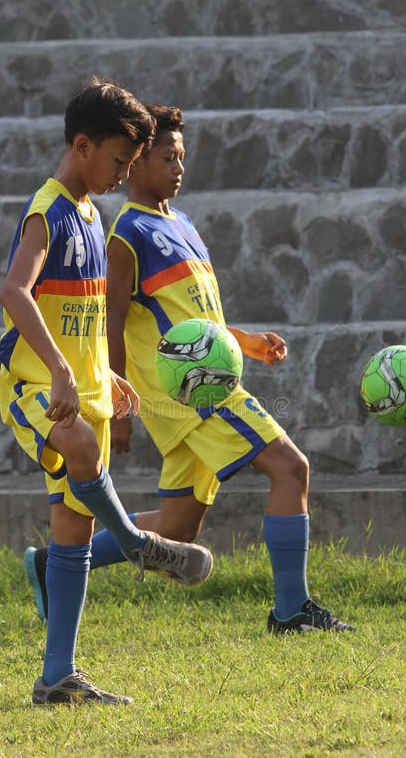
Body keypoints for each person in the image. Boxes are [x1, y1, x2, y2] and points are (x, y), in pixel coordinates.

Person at [24, 102, 353, 635]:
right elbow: (109, 322)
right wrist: (119, 407)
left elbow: (195, 318)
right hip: (193, 394)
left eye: (182, 156)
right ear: (135, 164)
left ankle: (53, 560)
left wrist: (244, 341)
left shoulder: (183, 224)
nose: (177, 167)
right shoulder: (126, 235)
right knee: (291, 468)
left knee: (177, 525)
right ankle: (291, 609)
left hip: (208, 380)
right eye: (165, 157)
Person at [0, 82, 213, 707]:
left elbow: (86, 312)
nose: (124, 175)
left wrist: (102, 374)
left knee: (71, 531)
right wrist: (63, 373)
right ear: (83, 145)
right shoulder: (50, 211)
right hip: (39, 384)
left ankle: (56, 677)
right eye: (120, 161)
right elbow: (14, 294)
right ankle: (140, 543)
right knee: (76, 445)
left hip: (85, 387)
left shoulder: (94, 213)